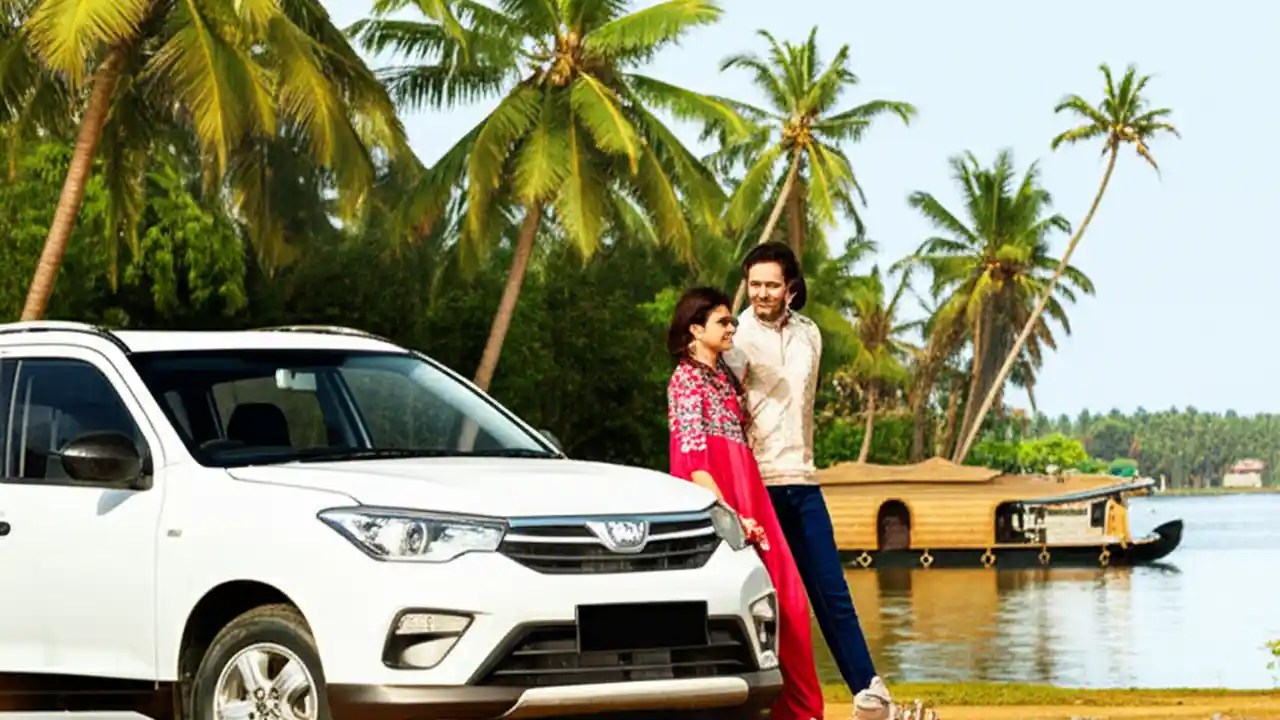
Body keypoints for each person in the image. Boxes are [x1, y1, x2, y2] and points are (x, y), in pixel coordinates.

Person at [723, 242, 885, 699]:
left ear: (790, 288)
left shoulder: (811, 334)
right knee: (768, 603)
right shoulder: (736, 341)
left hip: (803, 480)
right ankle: (765, 701)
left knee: (832, 595)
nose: (762, 293)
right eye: (755, 284)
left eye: (771, 284)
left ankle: (869, 692)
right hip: (760, 487)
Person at [665, 286, 823, 720]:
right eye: (723, 322)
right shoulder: (685, 380)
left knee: (789, 600)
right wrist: (730, 516)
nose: (733, 327)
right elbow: (693, 460)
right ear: (695, 330)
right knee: (731, 608)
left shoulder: (724, 378)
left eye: (733, 321)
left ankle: (802, 711)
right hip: (721, 503)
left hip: (751, 490)